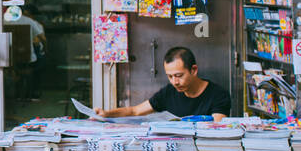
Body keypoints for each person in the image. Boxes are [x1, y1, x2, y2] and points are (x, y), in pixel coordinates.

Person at [96, 46, 231, 119]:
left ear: (193, 70)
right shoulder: (169, 92)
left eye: (178, 75)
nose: (175, 82)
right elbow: (135, 111)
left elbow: (216, 128)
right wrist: (107, 114)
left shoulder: (218, 95)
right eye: (170, 76)